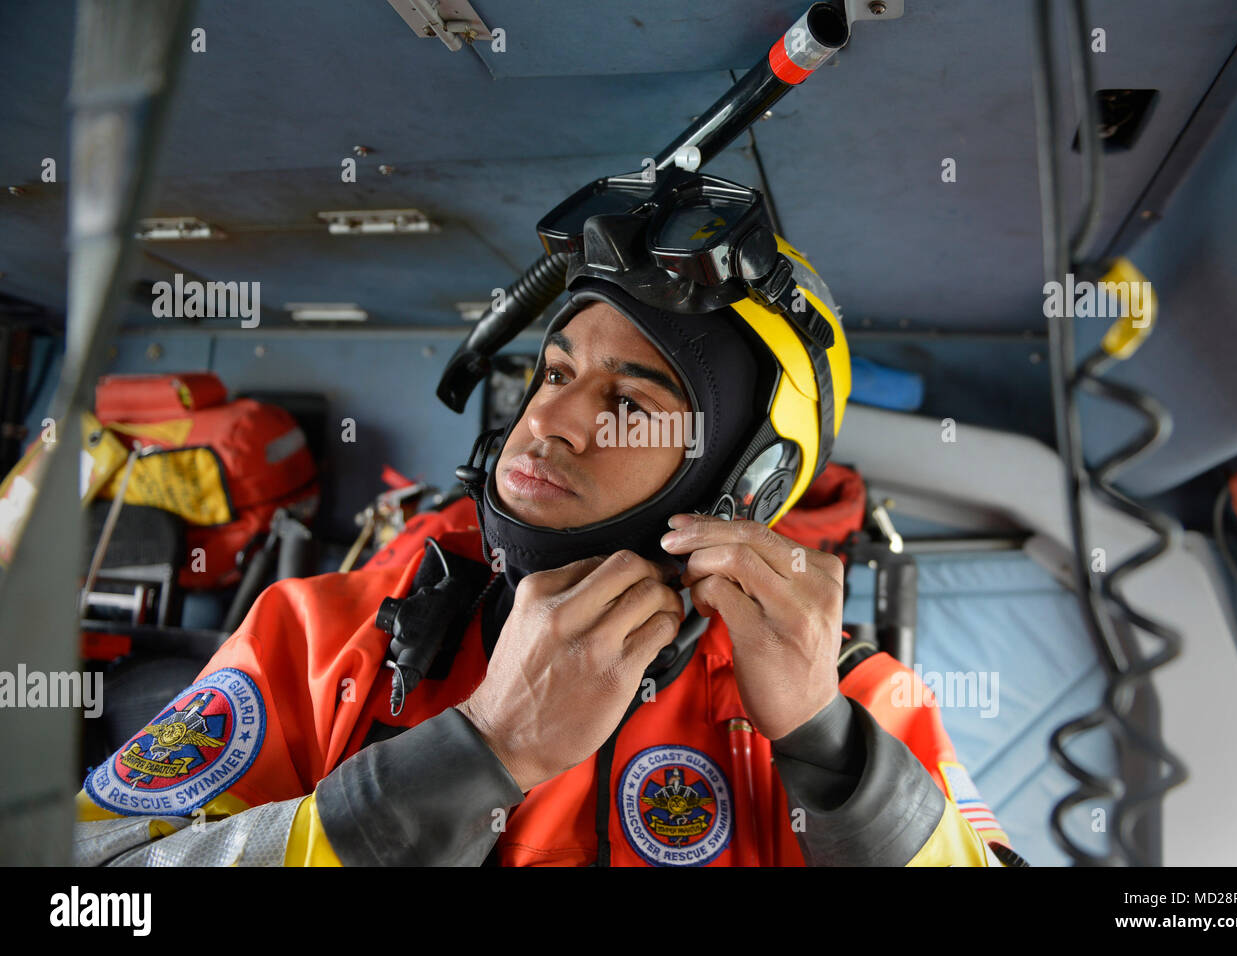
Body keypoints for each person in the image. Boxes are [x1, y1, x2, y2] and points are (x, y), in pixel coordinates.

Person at [74, 173, 1016, 866]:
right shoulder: (321, 634)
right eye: (557, 372)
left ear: (742, 488)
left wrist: (828, 753)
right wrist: (472, 756)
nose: (549, 422)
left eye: (632, 405)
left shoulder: (847, 706)